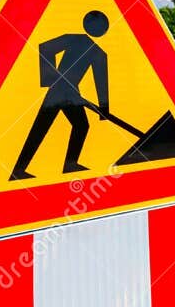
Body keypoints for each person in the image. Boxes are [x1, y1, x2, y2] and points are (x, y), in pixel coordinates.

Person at [9, 10, 111, 181]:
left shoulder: (96, 51)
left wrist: (104, 108)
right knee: (42, 128)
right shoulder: (79, 41)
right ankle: (20, 170)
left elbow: (101, 80)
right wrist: (51, 78)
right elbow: (45, 48)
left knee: (75, 126)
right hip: (59, 91)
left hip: (70, 94)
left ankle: (69, 165)